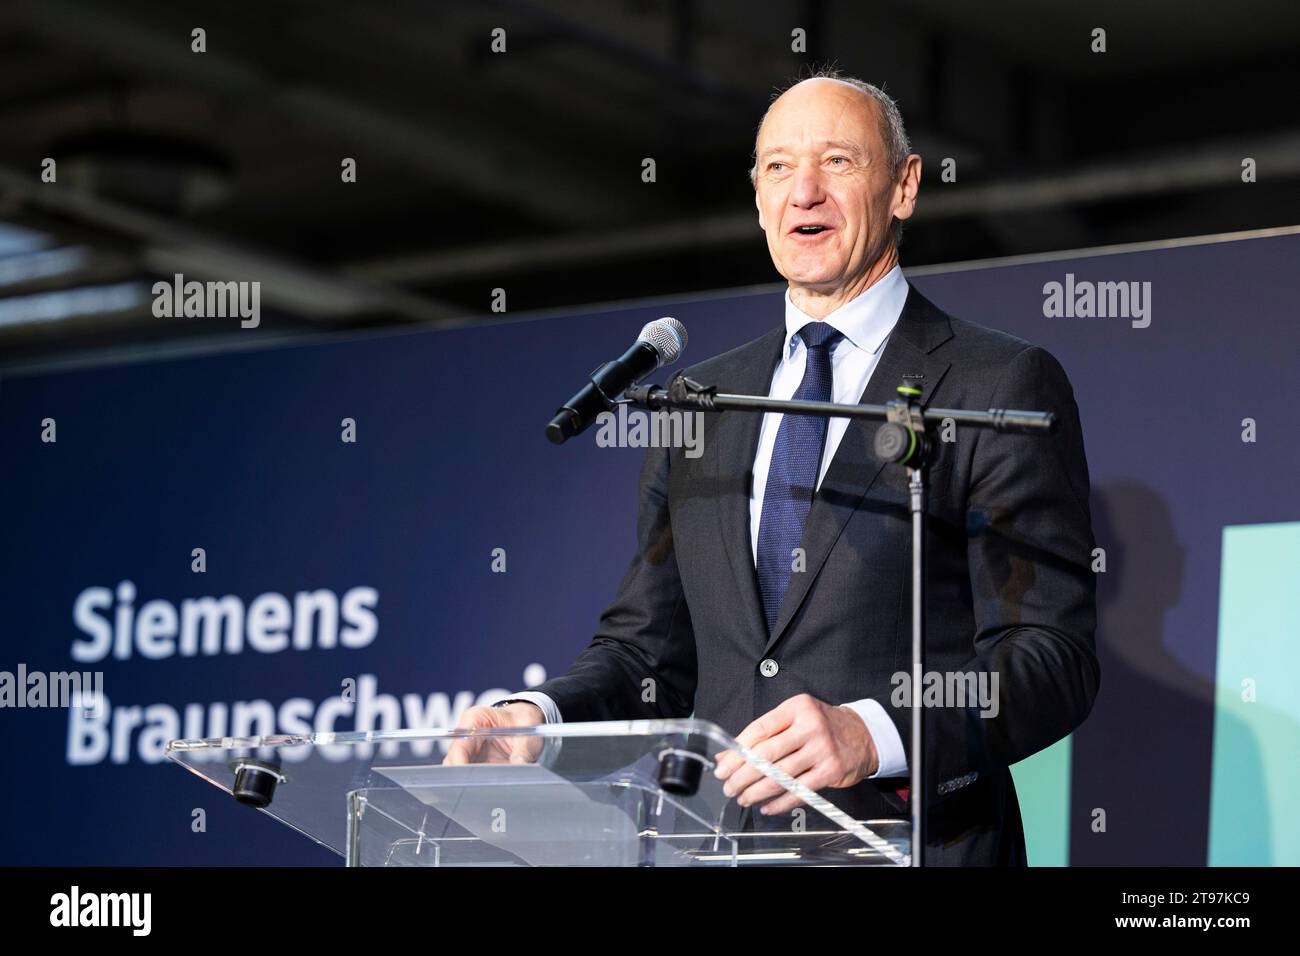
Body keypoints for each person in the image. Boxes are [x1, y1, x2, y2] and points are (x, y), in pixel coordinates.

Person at [447, 69, 1099, 865]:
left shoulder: (994, 384)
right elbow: (647, 652)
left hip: (916, 844)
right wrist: (539, 718)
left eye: (838, 163)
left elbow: (1048, 658)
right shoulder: (703, 402)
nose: (805, 193)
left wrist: (873, 732)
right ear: (757, 198)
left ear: (905, 187)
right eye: (779, 168)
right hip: (723, 849)